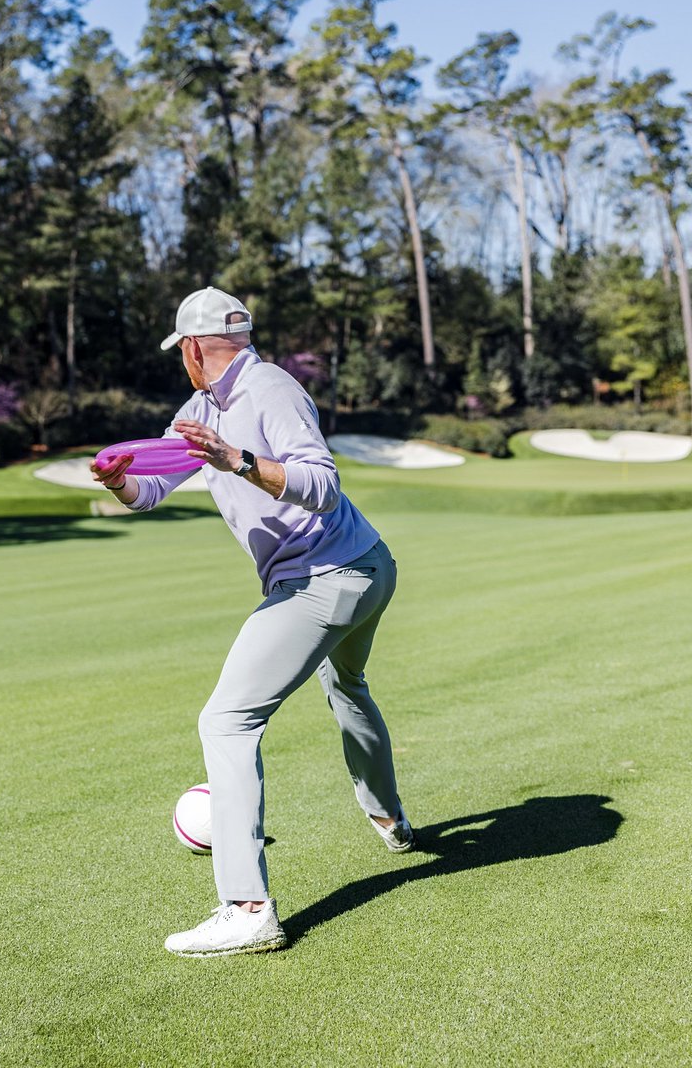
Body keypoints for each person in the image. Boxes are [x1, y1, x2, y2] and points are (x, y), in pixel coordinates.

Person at [93, 286, 413, 957]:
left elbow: (322, 485)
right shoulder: (198, 410)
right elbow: (150, 488)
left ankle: (247, 908)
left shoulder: (271, 389)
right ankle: (389, 818)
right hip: (364, 567)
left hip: (327, 577)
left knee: (227, 719)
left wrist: (234, 459)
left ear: (191, 347)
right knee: (346, 686)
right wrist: (119, 479)